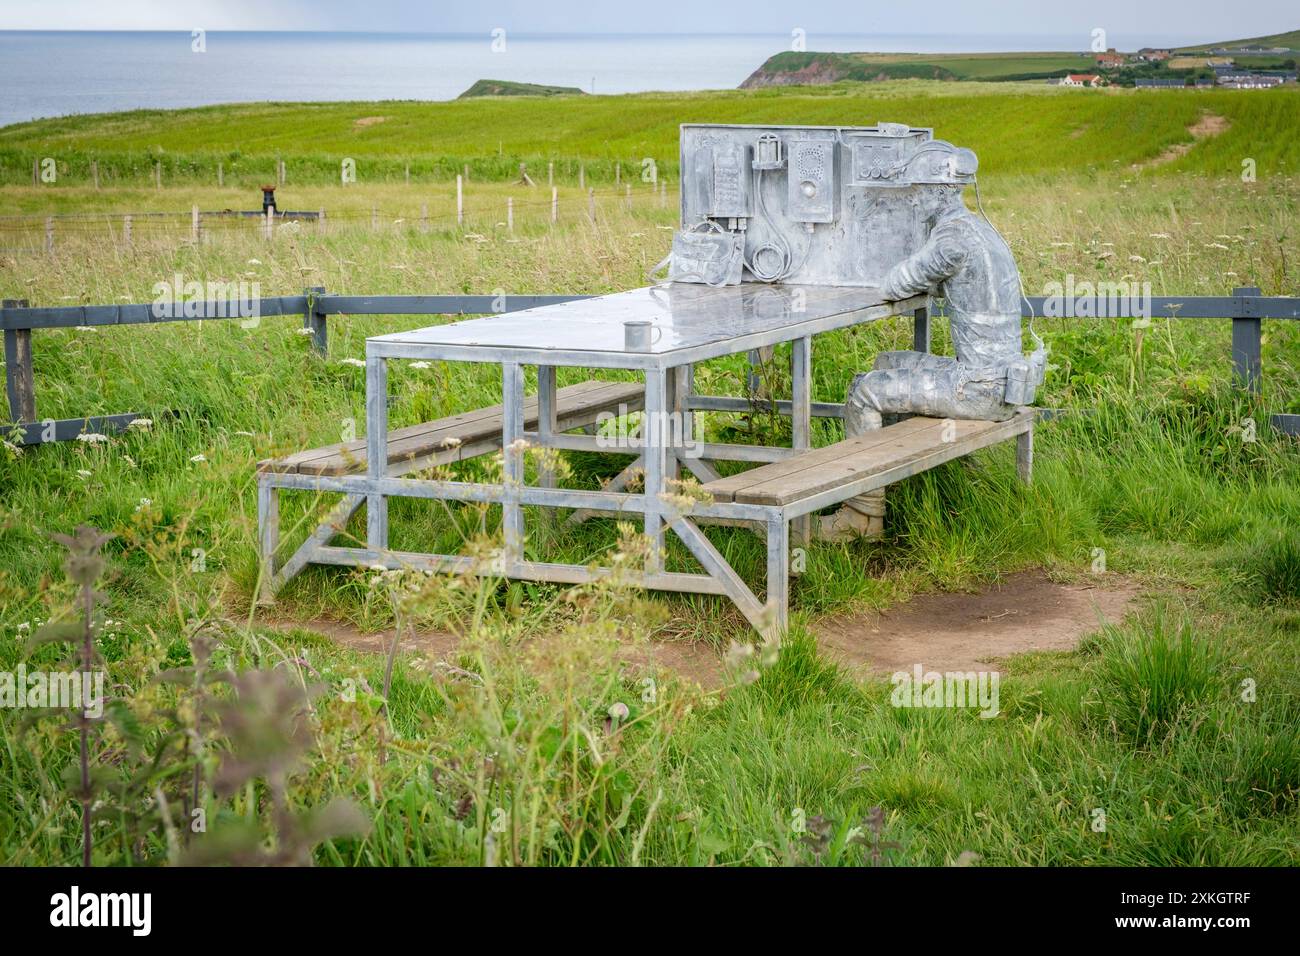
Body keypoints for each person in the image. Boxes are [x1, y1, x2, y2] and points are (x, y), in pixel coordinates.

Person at [822, 141, 1044, 541]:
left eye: (920, 191)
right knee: (889, 362)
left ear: (940, 192)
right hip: (1002, 380)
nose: (914, 200)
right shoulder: (980, 229)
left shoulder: (951, 241)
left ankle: (862, 517)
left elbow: (896, 283)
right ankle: (895, 480)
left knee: (864, 390)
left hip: (979, 389)